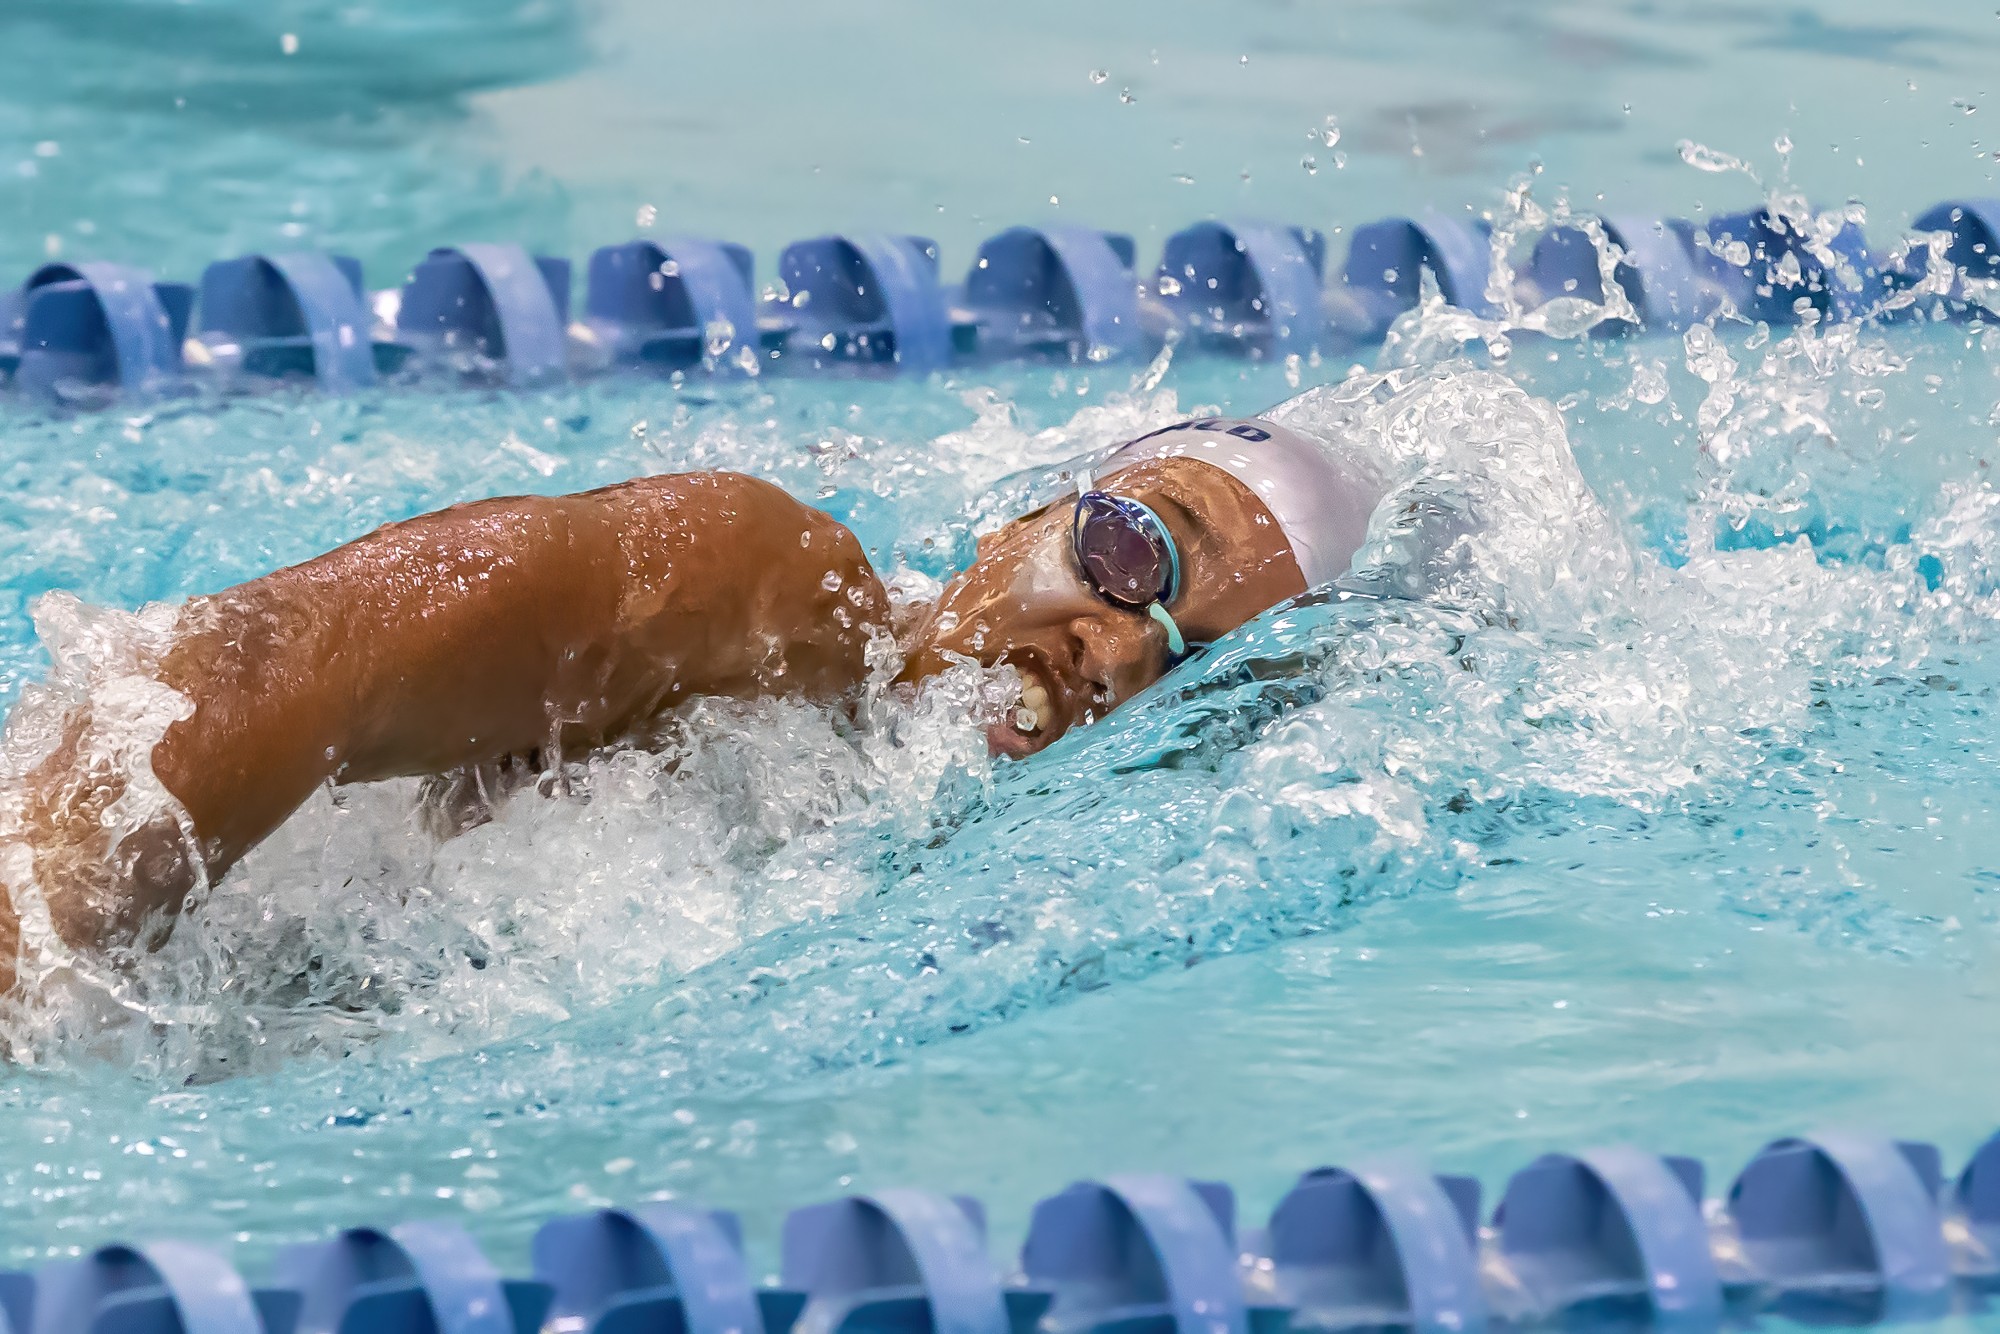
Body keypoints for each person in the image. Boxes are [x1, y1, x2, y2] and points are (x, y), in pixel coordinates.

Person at [0, 410, 1395, 996]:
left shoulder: (994, 875)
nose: (1124, 646)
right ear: (1042, 504)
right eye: (1135, 549)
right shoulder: (765, 590)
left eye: (1199, 656)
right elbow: (250, 664)